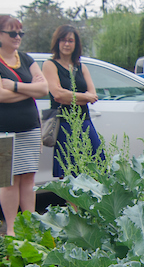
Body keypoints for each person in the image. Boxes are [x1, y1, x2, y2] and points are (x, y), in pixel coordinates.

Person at [0, 14, 50, 235]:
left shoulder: (26, 59)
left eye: (20, 33)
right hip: (1, 129)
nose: (17, 37)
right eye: (12, 33)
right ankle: (11, 229)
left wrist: (15, 87)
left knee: (28, 178)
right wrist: (29, 90)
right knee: (8, 181)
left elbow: (44, 89)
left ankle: (29, 224)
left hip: (29, 127)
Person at [44, 25, 103, 177]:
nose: (67, 44)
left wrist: (71, 97)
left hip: (84, 122)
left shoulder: (81, 67)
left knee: (97, 167)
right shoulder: (50, 65)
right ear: (57, 42)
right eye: (63, 40)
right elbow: (57, 95)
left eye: (70, 40)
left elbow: (93, 95)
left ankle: (90, 201)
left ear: (76, 44)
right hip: (64, 125)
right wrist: (84, 97)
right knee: (70, 173)